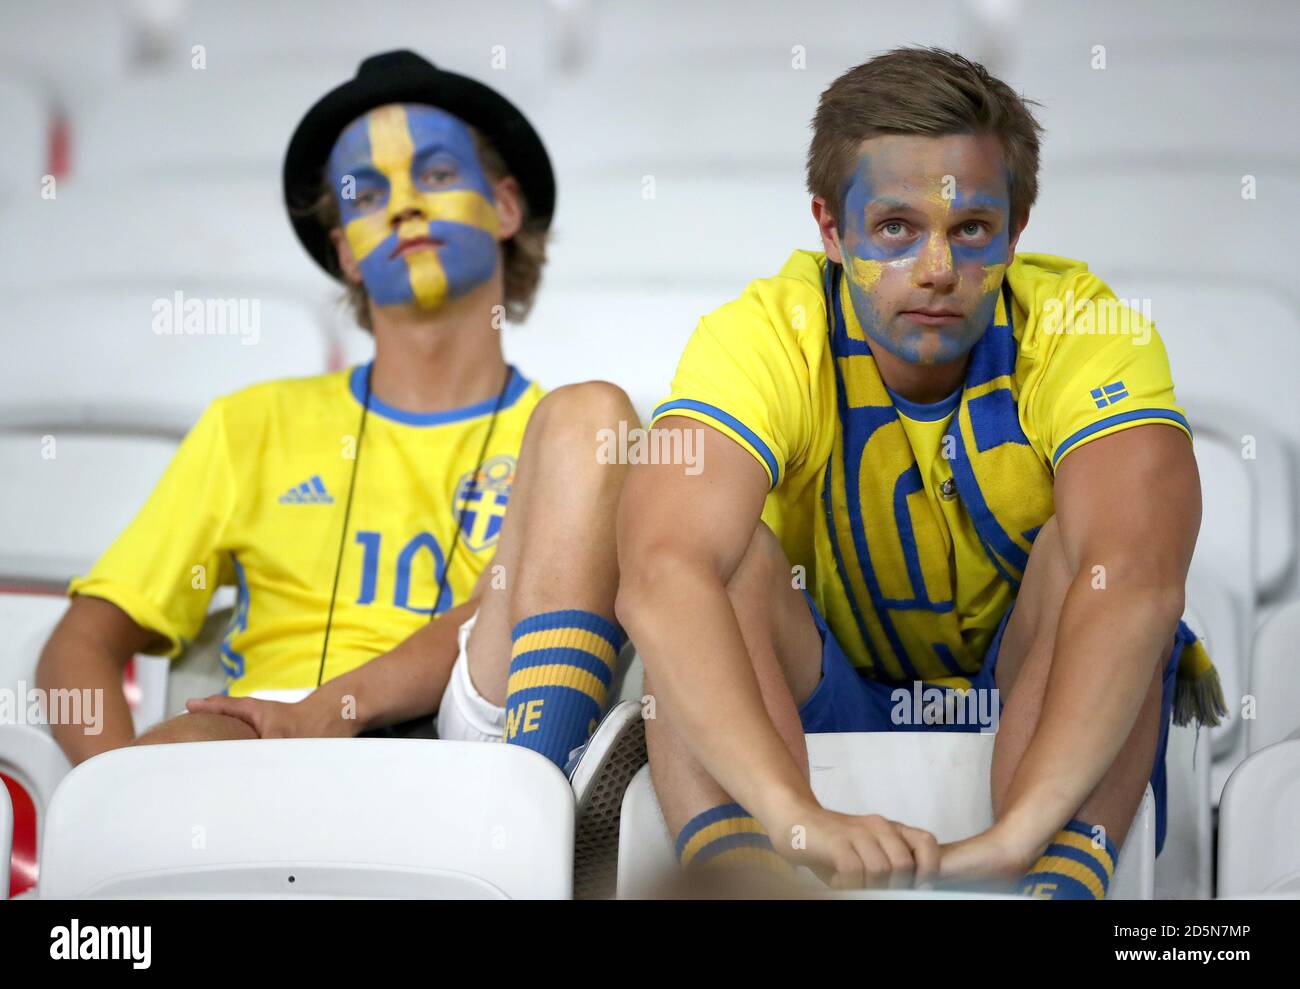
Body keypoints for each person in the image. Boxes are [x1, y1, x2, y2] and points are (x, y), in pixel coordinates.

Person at [615, 46, 1223, 898]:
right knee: (721, 565)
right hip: (826, 692)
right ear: (831, 230)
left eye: (970, 229)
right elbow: (658, 576)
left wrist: (1014, 833)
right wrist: (796, 815)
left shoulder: (1087, 327)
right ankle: (748, 876)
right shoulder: (763, 331)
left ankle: (1051, 881)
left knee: (1092, 559)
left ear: (1015, 231)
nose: (937, 269)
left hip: (1027, 701)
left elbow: (1141, 580)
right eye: (896, 228)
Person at [38, 50, 646, 895]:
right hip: (271, 726)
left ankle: (541, 801)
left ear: (507, 206)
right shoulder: (251, 422)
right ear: (346, 253)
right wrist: (111, 788)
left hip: (477, 728)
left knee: (596, 418)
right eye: (365, 193)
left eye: (434, 171)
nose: (400, 202)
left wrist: (345, 702)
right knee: (157, 783)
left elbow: (493, 607)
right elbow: (80, 645)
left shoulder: (560, 434)